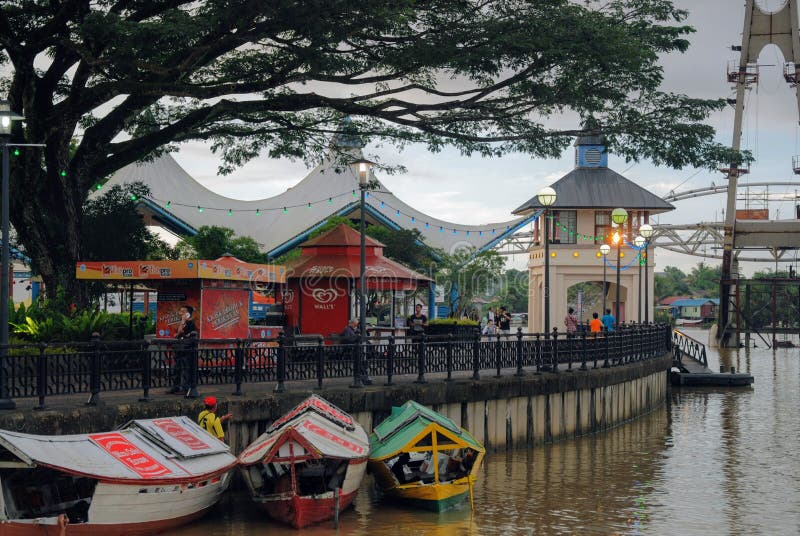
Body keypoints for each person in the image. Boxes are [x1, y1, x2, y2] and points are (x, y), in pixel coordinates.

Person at [168, 305, 197, 395]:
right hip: (180, 349)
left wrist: (183, 322)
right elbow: (177, 334)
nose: (181, 314)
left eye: (183, 312)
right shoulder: (183, 323)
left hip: (187, 350)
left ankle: (185, 388)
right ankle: (176, 387)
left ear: (188, 313)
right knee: (176, 368)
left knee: (186, 369)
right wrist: (182, 324)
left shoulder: (191, 323)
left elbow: (180, 332)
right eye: (180, 312)